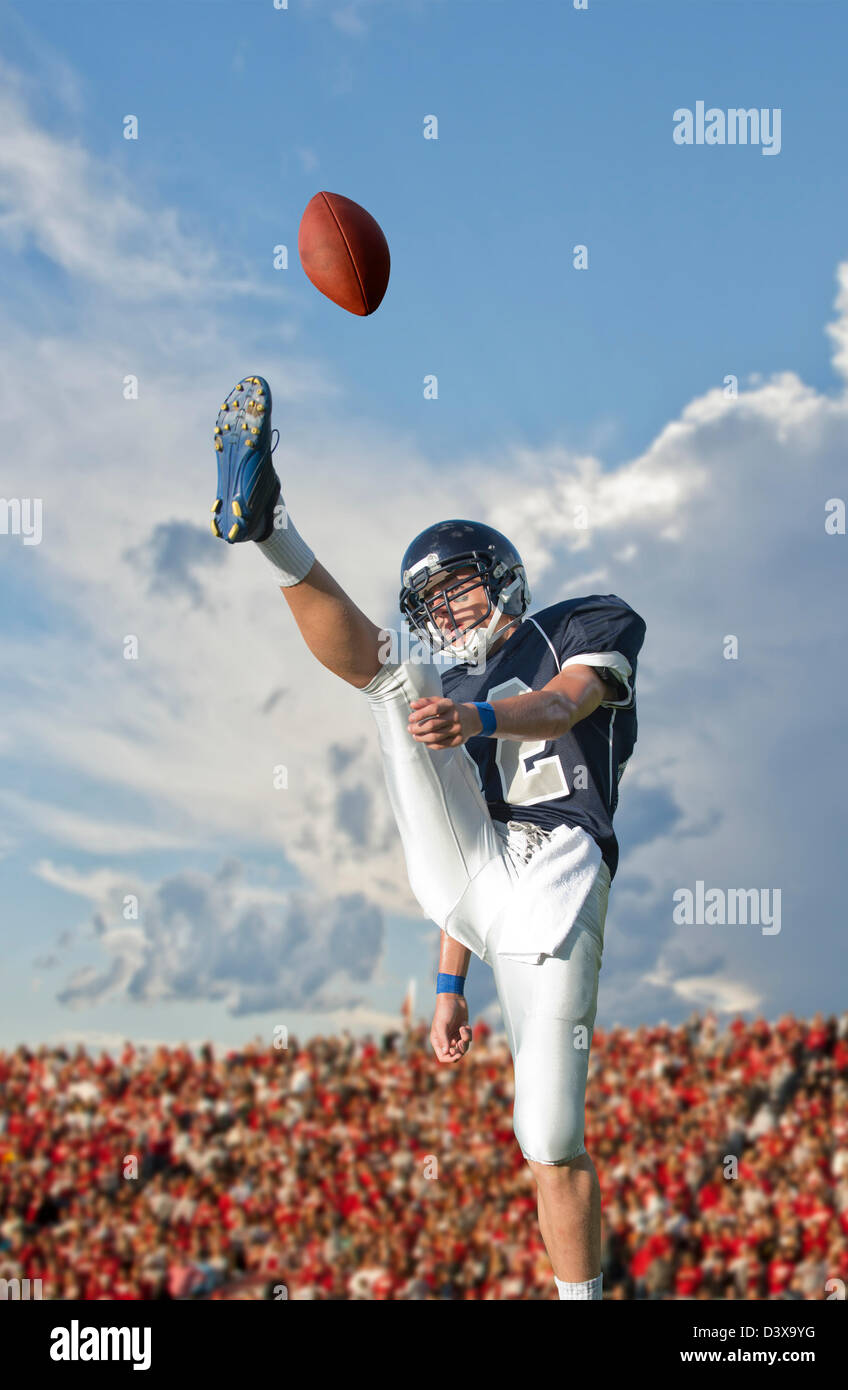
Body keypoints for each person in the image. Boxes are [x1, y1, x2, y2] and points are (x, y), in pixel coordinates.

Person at [209, 375, 647, 1301]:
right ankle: (268, 525)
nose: (449, 611)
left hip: (559, 877)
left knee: (550, 1138)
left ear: (502, 578)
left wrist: (480, 721)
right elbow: (463, 828)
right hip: (481, 885)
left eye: (459, 590)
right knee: (392, 683)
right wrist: (448, 986)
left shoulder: (581, 622)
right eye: (434, 602)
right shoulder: (449, 689)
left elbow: (566, 702)